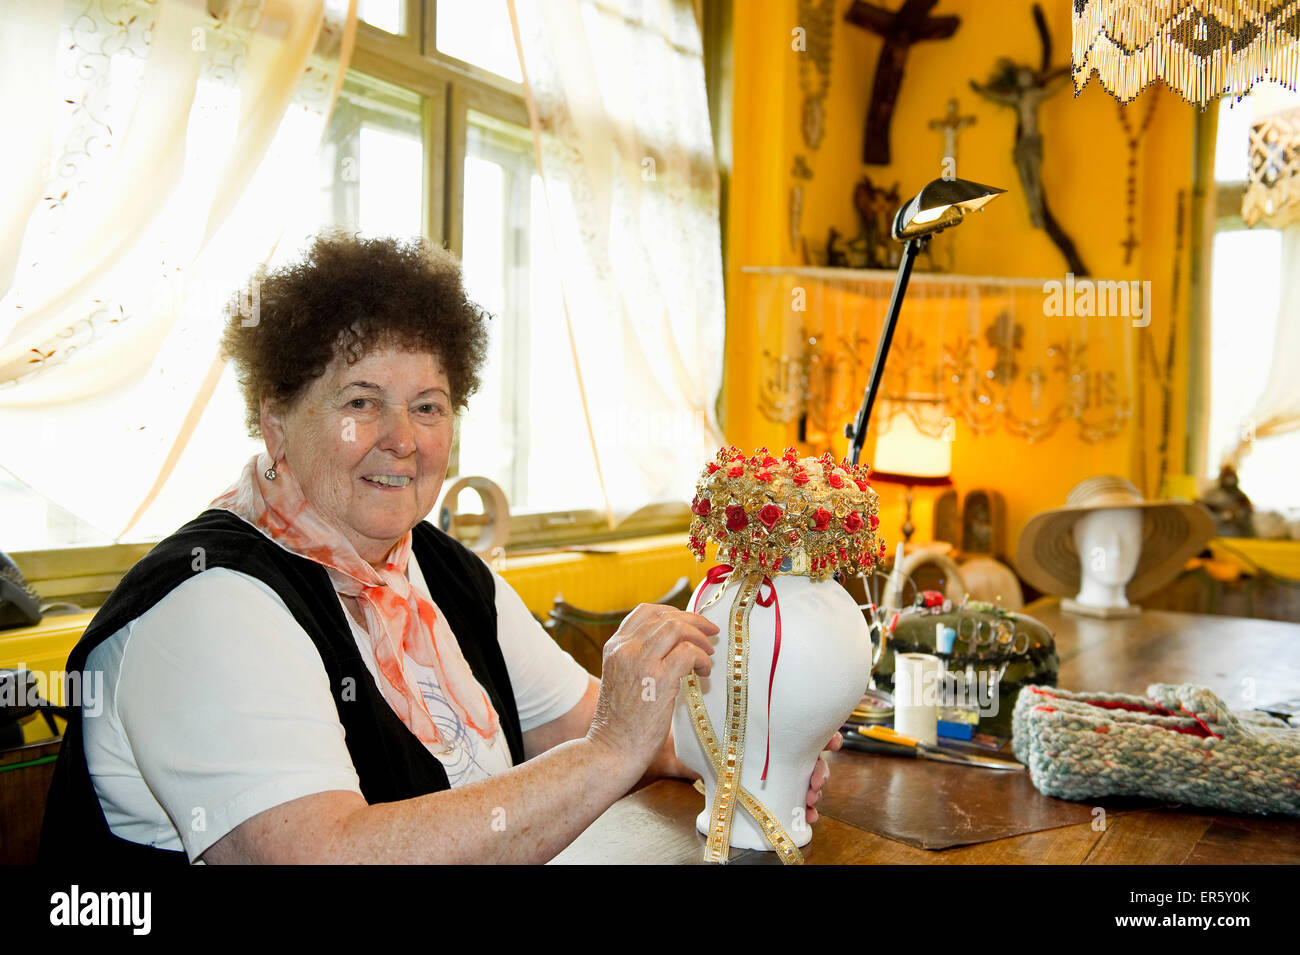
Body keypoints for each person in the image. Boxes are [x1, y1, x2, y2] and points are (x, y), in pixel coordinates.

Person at [40, 233, 836, 864]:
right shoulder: (210, 607)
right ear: (275, 419)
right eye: (362, 402)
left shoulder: (443, 571)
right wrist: (609, 753)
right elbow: (322, 859)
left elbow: (594, 724)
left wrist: (757, 748)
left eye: (428, 405)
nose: (403, 440)